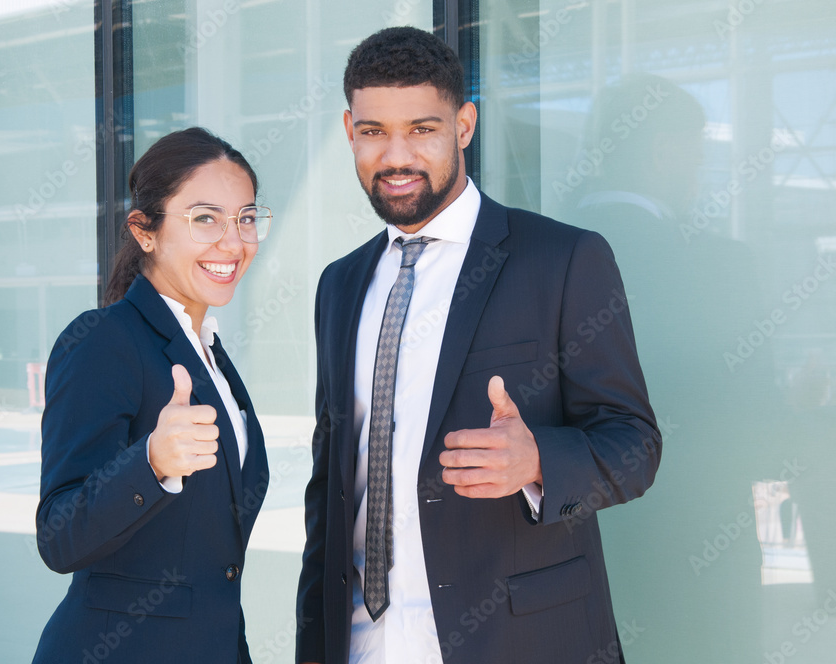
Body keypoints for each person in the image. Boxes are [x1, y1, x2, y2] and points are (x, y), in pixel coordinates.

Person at [296, 27, 660, 664]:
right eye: (375, 131)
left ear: (464, 125)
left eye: (422, 128)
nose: (396, 155)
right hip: (361, 643)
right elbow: (330, 490)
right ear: (350, 130)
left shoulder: (563, 259)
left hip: (514, 639)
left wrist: (538, 460)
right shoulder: (340, 284)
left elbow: (635, 444)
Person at [33, 127, 270, 663]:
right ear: (145, 231)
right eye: (205, 218)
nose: (233, 242)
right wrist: (152, 462)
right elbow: (59, 535)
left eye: (246, 218)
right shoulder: (103, 340)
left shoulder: (210, 355)